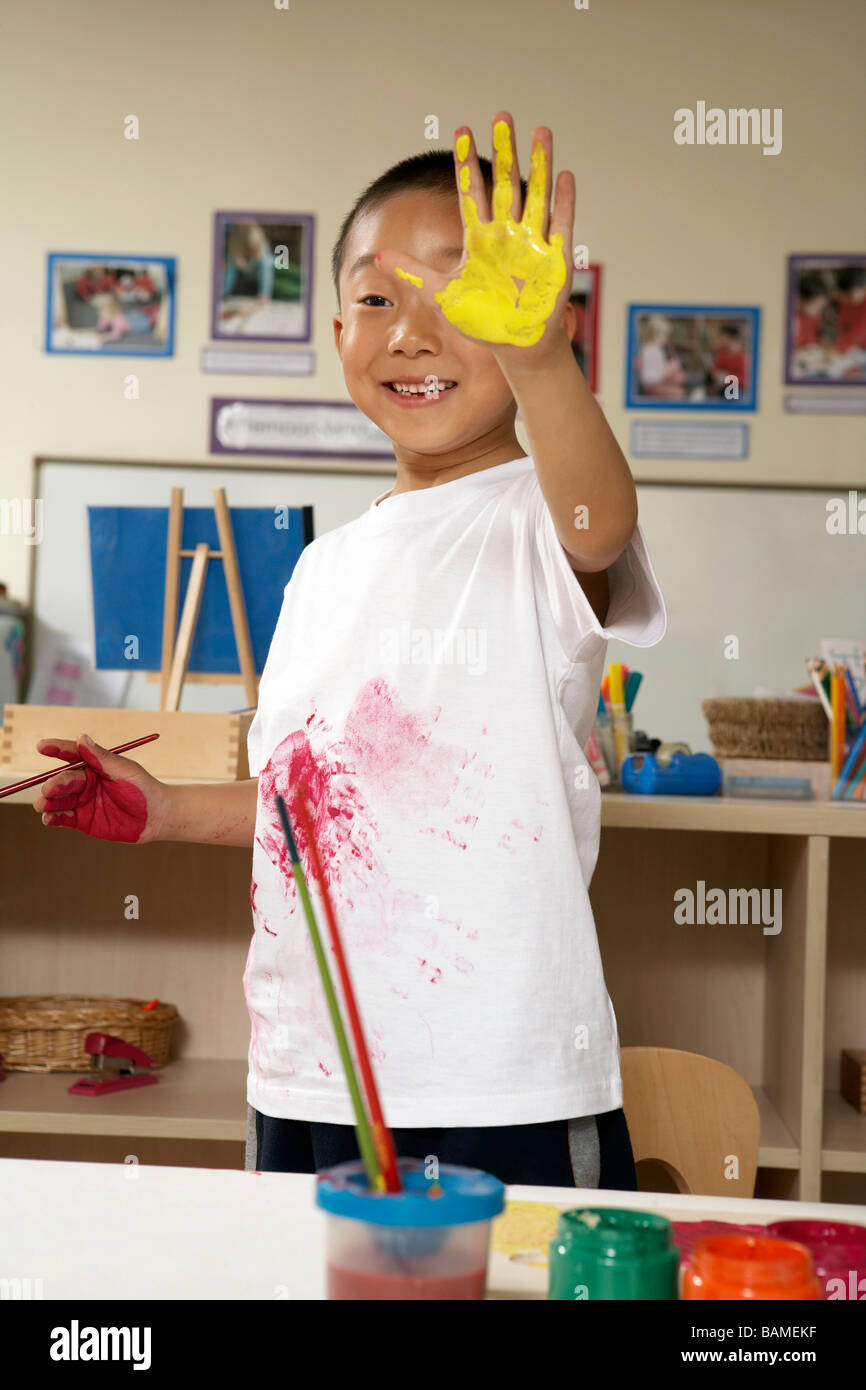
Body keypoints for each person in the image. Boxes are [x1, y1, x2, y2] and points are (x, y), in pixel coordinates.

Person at [33, 115, 666, 1190]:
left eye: (459, 295)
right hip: (308, 1075)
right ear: (337, 337)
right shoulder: (325, 568)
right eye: (378, 298)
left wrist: (541, 360)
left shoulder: (532, 516)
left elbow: (595, 519)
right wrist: (170, 807)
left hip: (497, 1081)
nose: (413, 331)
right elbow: (314, 797)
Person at [709, 323, 748, 398]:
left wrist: (727, 377)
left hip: (737, 388)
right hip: (721, 385)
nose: (722, 340)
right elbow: (714, 369)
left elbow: (744, 380)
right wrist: (716, 374)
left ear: (733, 339)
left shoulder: (742, 357)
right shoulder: (721, 353)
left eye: (725, 338)